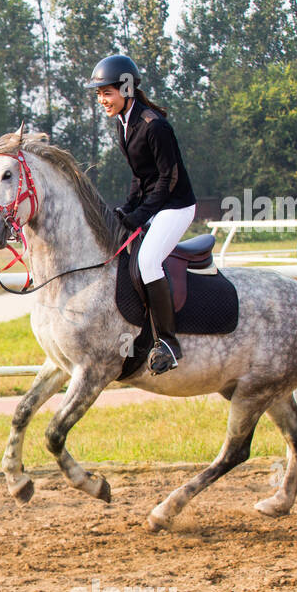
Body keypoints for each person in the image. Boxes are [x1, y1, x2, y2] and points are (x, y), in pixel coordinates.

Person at [85, 54, 197, 375]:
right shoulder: (124, 126)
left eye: (107, 92)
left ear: (127, 90)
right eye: (99, 94)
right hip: (155, 206)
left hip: (176, 207)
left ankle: (170, 344)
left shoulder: (154, 126)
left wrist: (141, 214)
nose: (102, 100)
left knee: (147, 262)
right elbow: (140, 176)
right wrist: (128, 209)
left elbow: (168, 178)